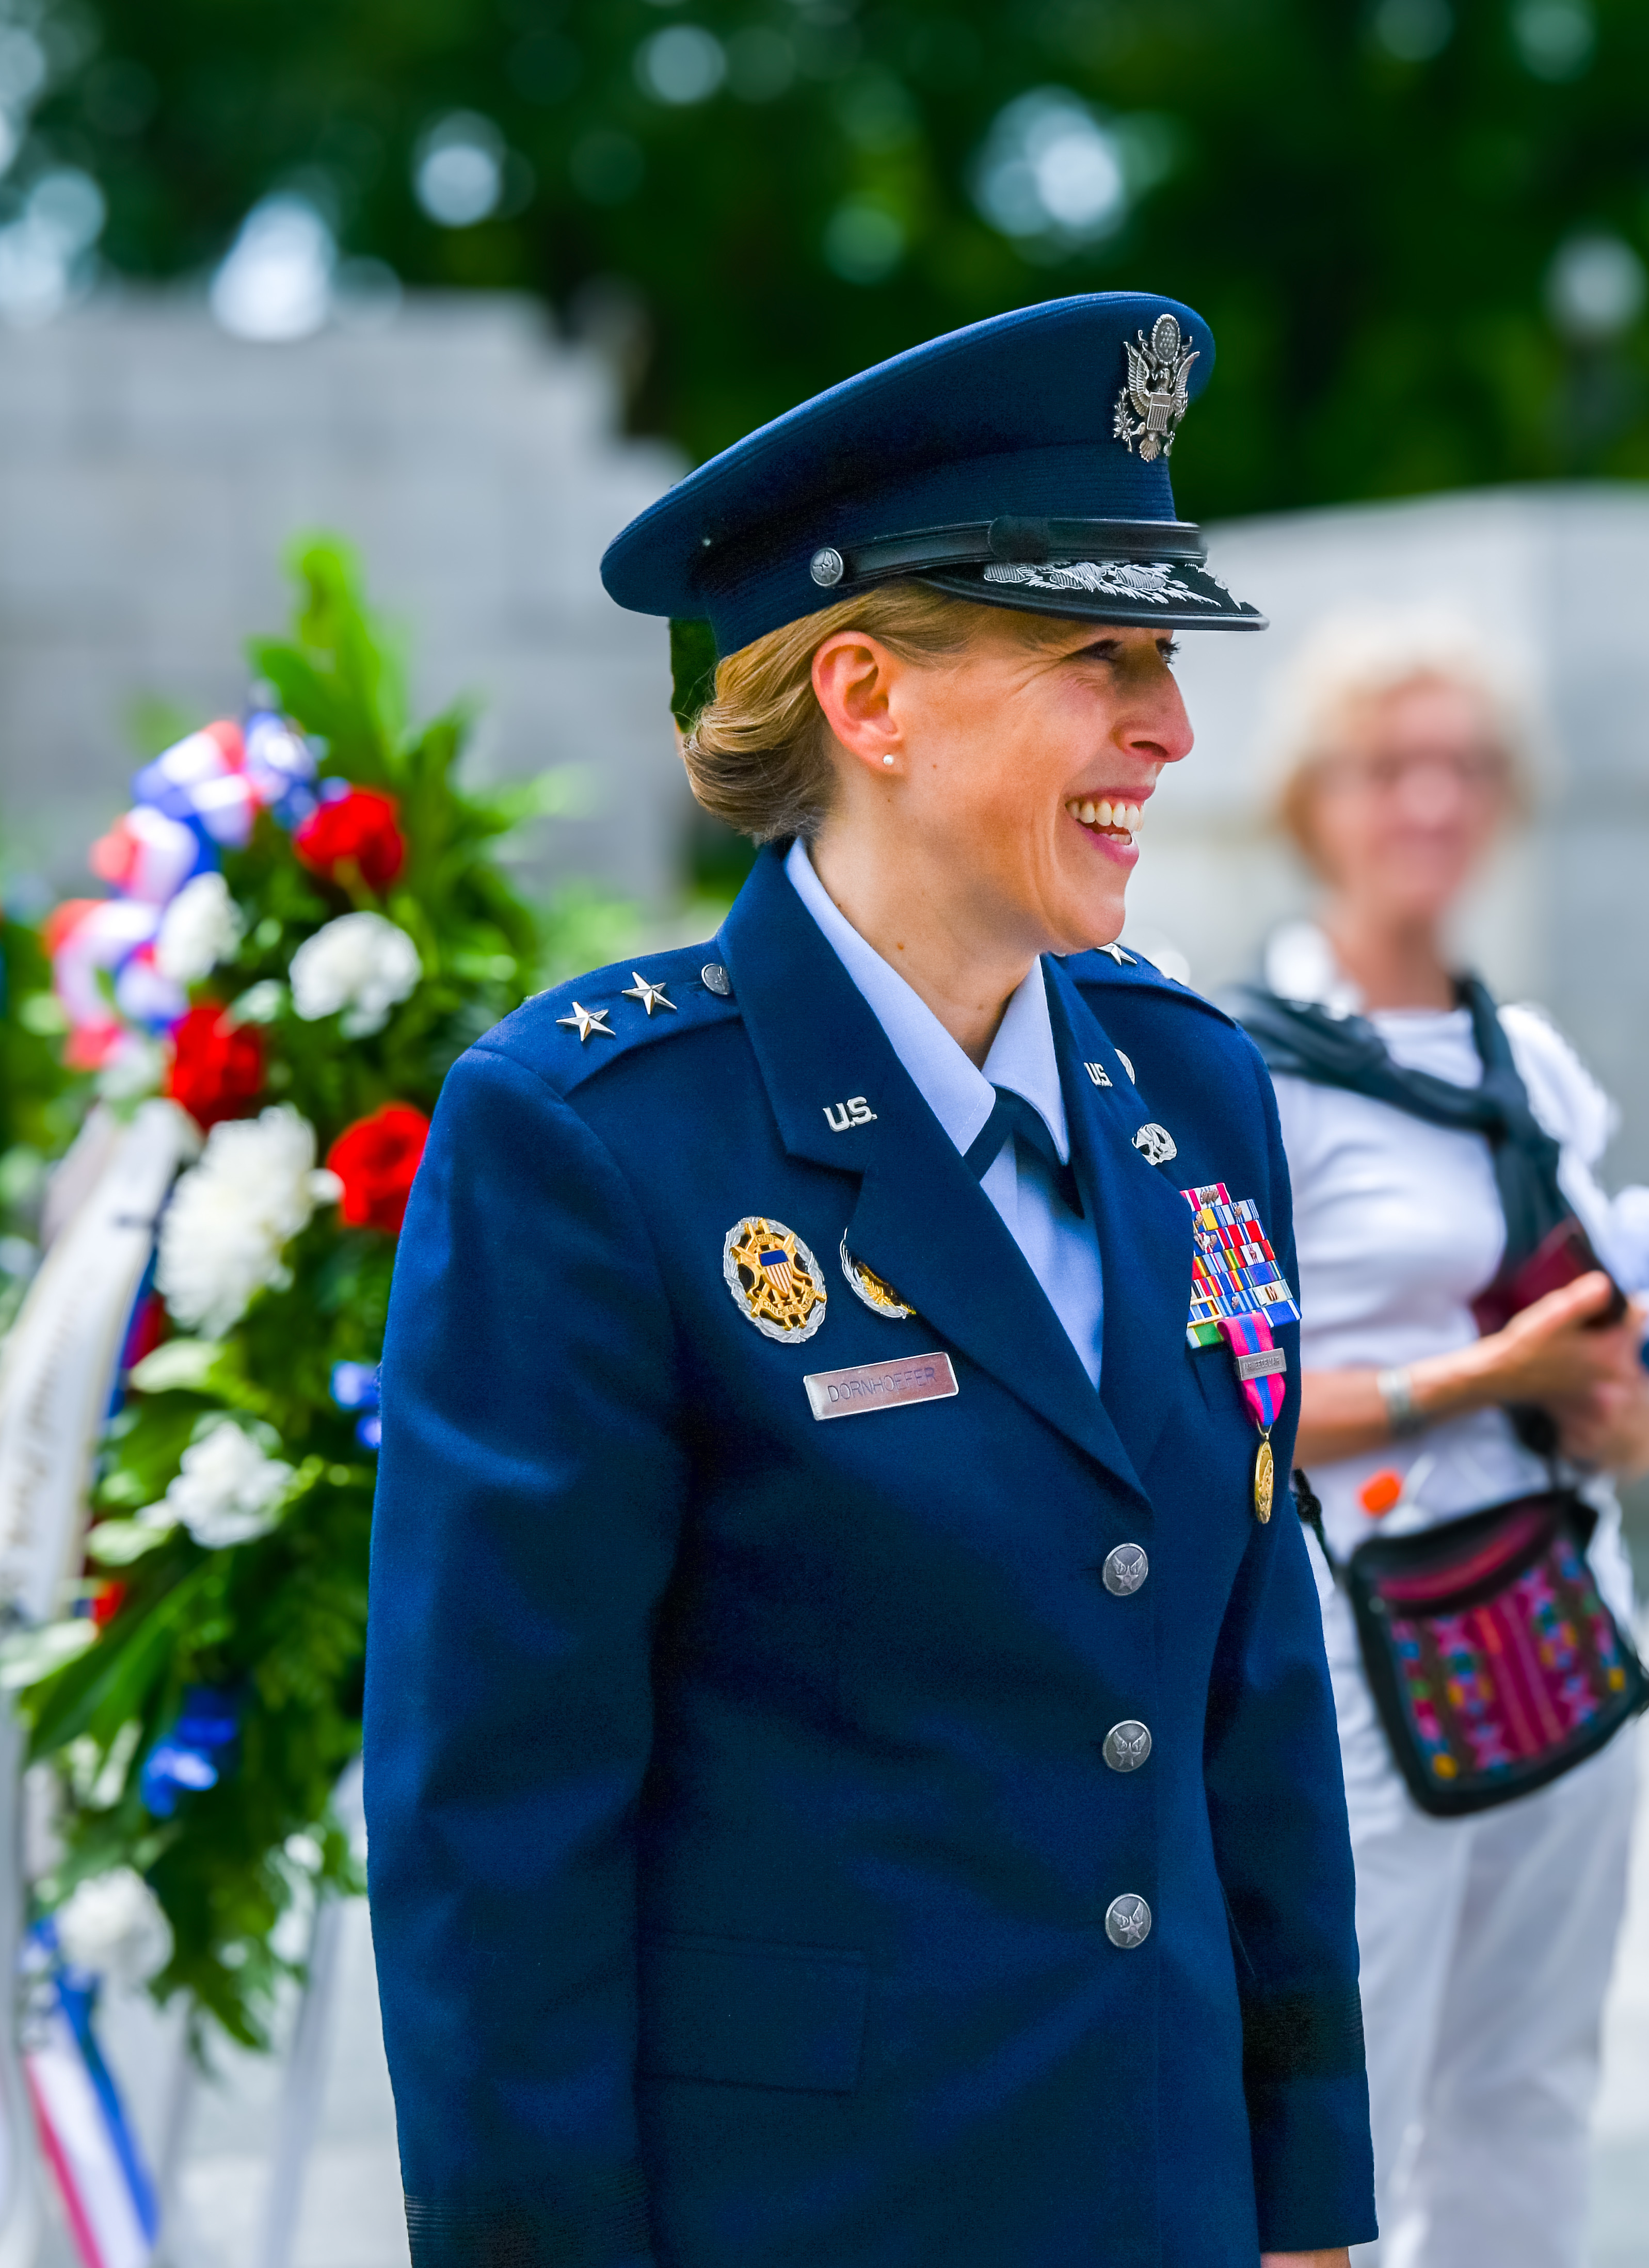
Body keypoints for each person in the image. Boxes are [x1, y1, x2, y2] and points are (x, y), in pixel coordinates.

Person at [364, 296, 1371, 2268]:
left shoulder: (1194, 1088)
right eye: (1101, 659)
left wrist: (1305, 2193)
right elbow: (497, 1835)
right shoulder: (592, 1135)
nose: (1167, 731)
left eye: (1166, 665)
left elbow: (1248, 1688)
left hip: (1165, 2192)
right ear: (867, 697)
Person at [1231, 614, 1649, 2268]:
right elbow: (1232, 1397)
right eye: (1387, 766)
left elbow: (1610, 1387)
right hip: (1360, 1646)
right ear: (1310, 803)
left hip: (1556, 1607)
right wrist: (1481, 1375)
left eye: (1466, 767)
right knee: (1355, 2086)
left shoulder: (1531, 1063)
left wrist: (1607, 1391)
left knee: (1535, 2080)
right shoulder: (1242, 1074)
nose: (1431, 801)